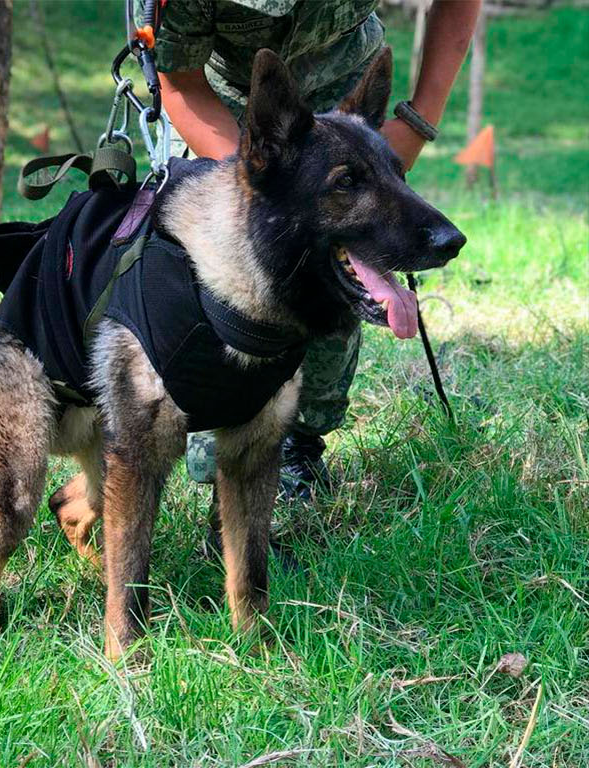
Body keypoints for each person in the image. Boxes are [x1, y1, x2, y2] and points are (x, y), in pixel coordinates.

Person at [157, 0, 483, 500]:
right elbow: (181, 82)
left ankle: (296, 455)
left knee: (334, 277)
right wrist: (256, 181)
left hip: (347, 84)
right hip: (223, 107)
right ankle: (216, 457)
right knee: (221, 291)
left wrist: (417, 123)